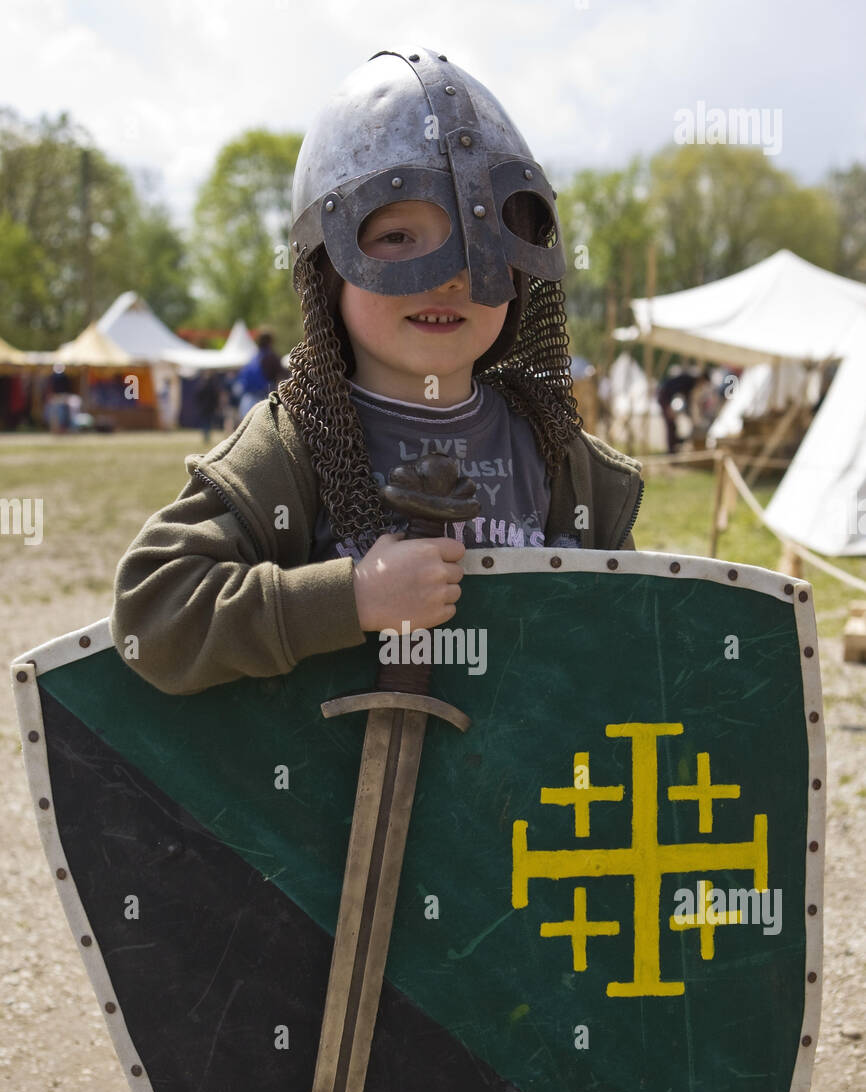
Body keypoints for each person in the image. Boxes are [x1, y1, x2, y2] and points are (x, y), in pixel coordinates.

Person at [110, 47, 644, 697]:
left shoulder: (556, 453)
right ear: (326, 268)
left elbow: (634, 642)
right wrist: (352, 598)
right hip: (336, 792)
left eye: (485, 240)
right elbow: (152, 617)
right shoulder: (293, 445)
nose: (450, 275)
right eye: (398, 239)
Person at [657, 367, 711, 454]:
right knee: (671, 426)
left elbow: (687, 401)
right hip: (665, 397)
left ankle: (673, 450)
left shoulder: (690, 382)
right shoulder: (690, 382)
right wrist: (669, 407)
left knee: (673, 427)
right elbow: (675, 391)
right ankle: (671, 452)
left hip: (666, 397)